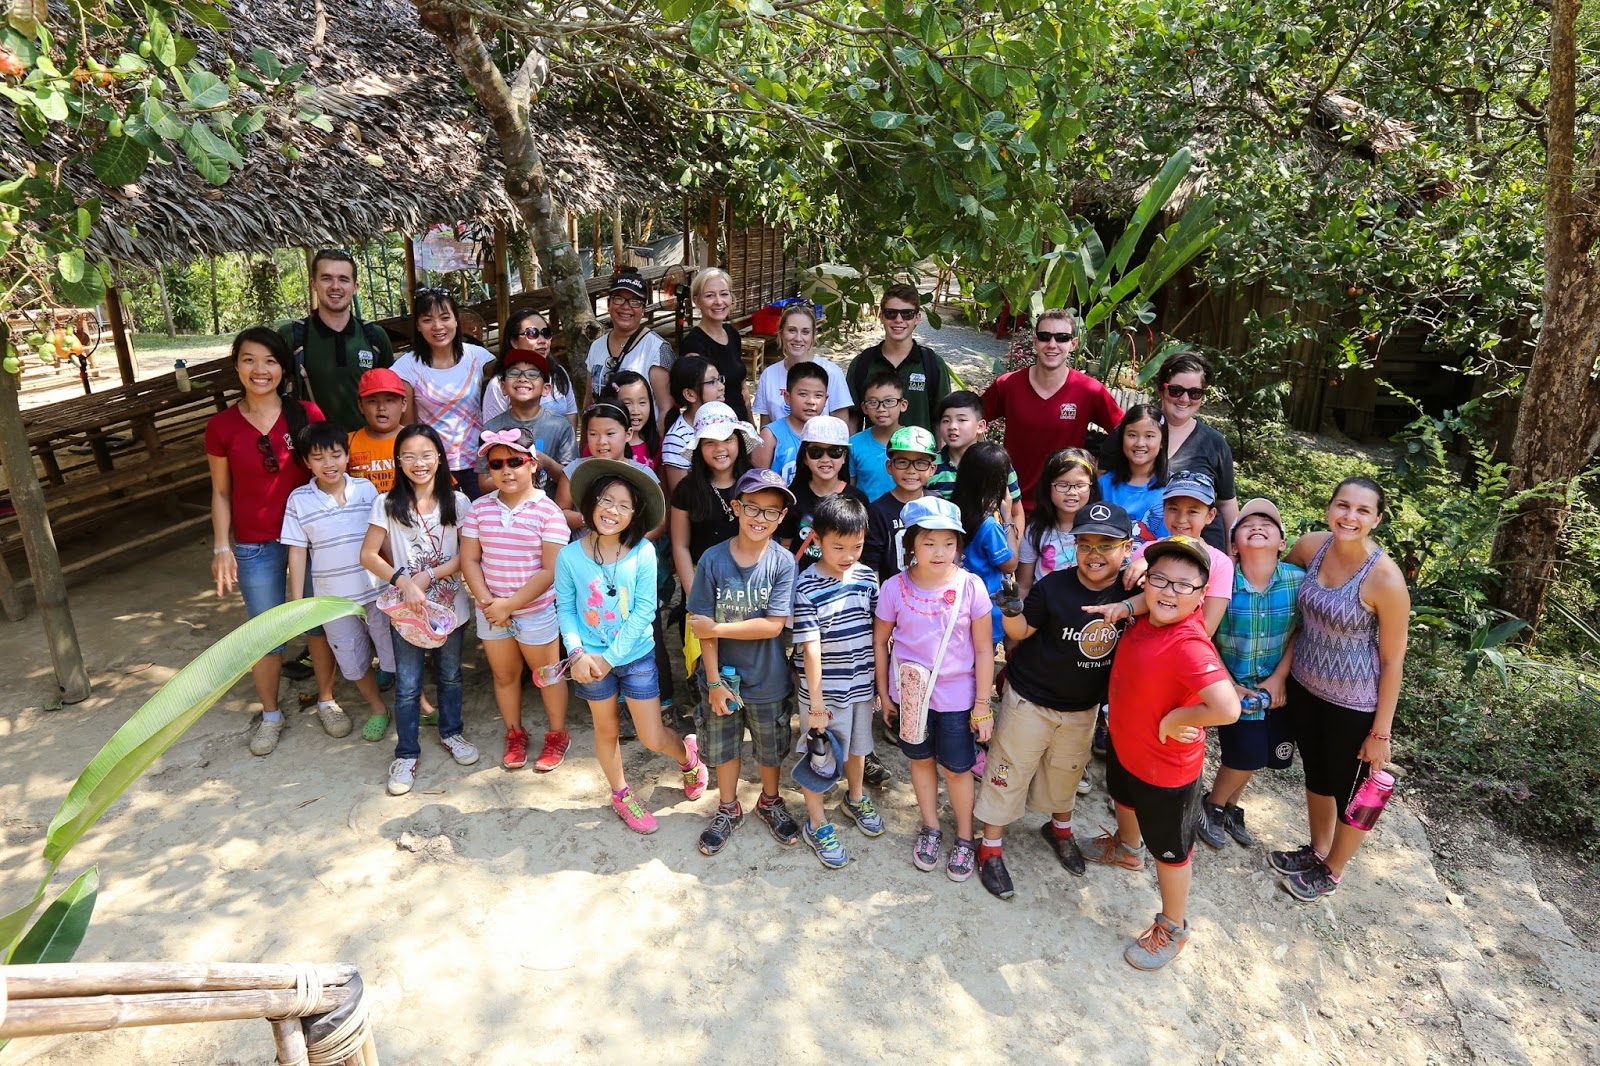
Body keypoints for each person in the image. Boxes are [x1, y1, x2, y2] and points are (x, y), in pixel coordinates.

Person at [1086, 535, 1241, 970]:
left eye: (1183, 585)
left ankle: (1173, 927)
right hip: (1128, 747)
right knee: (1123, 798)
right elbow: (1149, 601)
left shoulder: (1189, 644)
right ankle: (1126, 848)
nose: (1168, 591)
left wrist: (1177, 720)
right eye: (1159, 580)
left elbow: (1227, 708)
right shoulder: (1149, 616)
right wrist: (1128, 606)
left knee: (1171, 852)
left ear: (1202, 595)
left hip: (1167, 770)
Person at [975, 502, 1136, 899]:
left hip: (1083, 707)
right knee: (1008, 768)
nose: (1094, 554)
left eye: (1106, 545)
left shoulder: (1134, 592)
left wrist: (1141, 581)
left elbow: (1170, 592)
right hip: (1030, 698)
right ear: (1073, 546)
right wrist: (1010, 609)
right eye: (1085, 544)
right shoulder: (1054, 586)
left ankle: (1059, 827)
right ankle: (990, 845)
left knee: (1066, 772)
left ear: (1128, 548)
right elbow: (1023, 630)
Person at [1270, 477, 1409, 901]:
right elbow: (1278, 585)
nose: (1350, 516)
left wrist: (1380, 733)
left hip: (1354, 703)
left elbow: (1392, 661)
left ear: (1377, 520)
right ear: (1329, 508)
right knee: (1316, 774)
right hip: (1305, 686)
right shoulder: (1311, 546)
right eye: (1343, 506)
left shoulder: (1385, 580)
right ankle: (1317, 850)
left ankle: (1332, 871)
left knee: (1350, 790)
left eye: (1363, 511)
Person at [557, 459, 709, 834]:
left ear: (636, 514)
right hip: (588, 662)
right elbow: (565, 608)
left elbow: (644, 611)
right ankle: (621, 793)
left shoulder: (642, 552)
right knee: (605, 730)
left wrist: (608, 659)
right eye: (607, 501)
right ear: (591, 502)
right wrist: (575, 653)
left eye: (625, 506)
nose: (613, 511)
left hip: (635, 656)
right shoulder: (569, 556)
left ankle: (688, 757)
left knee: (652, 736)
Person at [205, 327, 327, 757]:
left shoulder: (307, 413)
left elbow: (328, 473)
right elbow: (221, 492)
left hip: (310, 543)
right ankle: (271, 713)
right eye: (250, 360)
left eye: (271, 361)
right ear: (236, 365)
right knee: (265, 636)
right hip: (255, 546)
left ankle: (327, 700)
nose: (261, 370)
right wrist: (223, 546)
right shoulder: (221, 426)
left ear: (283, 368)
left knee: (317, 625)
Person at [875, 497, 995, 881]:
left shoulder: (970, 587)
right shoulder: (894, 588)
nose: (940, 551)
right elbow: (881, 641)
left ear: (959, 544)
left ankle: (963, 837)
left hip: (958, 700)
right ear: (910, 544)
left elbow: (982, 648)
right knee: (920, 761)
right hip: (911, 697)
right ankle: (930, 827)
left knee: (958, 769)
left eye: (948, 542)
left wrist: (982, 704)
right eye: (929, 542)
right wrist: (884, 692)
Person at [687, 468, 802, 856]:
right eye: (753, 507)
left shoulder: (784, 562)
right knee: (724, 747)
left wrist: (717, 627)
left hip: (768, 678)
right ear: (736, 507)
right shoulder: (712, 559)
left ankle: (770, 800)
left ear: (783, 517)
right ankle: (727, 807)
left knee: (770, 749)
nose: (761, 518)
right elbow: (700, 627)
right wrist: (715, 682)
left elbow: (772, 627)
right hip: (720, 679)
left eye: (772, 511)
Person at [359, 424, 477, 794]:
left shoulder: (458, 503)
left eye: (426, 454)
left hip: (449, 608)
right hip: (407, 612)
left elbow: (467, 556)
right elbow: (367, 555)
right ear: (398, 461)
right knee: (408, 685)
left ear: (439, 458)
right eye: (408, 456)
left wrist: (428, 575)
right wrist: (405, 582)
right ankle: (406, 754)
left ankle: (452, 733)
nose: (418, 463)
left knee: (451, 675)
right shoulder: (386, 503)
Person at [460, 428, 572, 774]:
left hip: (535, 612)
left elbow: (550, 570)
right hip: (491, 611)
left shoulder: (549, 513)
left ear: (532, 463)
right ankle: (514, 733)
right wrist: (489, 603)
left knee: (547, 675)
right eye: (496, 464)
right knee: (504, 675)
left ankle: (557, 735)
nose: (506, 470)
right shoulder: (479, 509)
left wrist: (509, 605)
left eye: (515, 461)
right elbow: (470, 559)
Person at [1197, 498, 1305, 850]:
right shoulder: (1222, 582)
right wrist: (1228, 684)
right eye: (1246, 524)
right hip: (1233, 684)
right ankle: (1211, 805)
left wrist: (1280, 677)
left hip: (1275, 687)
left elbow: (1299, 633)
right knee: (1247, 754)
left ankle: (1229, 806)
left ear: (1282, 542)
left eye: (1267, 524)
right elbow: (1205, 635)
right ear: (1233, 544)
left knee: (1261, 755)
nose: (1257, 527)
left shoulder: (1297, 582)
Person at [790, 494, 885, 869]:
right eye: (838, 546)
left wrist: (879, 685)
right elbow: (810, 650)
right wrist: (815, 705)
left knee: (859, 748)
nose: (848, 554)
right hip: (823, 694)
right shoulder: (807, 587)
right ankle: (817, 822)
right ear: (816, 540)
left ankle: (855, 796)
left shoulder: (866, 577)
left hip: (861, 685)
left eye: (857, 546)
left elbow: (878, 633)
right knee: (818, 756)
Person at [280, 421, 390, 739]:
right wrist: (300, 601)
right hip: (334, 602)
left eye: (336, 455)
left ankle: (414, 705)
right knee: (352, 660)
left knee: (394, 652)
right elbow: (297, 553)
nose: (329, 464)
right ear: (306, 462)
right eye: (318, 457)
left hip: (377, 591)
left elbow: (382, 539)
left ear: (347, 456)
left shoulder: (366, 490)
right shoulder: (299, 500)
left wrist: (399, 577)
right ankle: (378, 709)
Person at [982, 308, 1122, 511]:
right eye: (1045, 336)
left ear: (1073, 344)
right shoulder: (1007, 385)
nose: (1052, 344)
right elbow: (971, 422)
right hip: (1013, 507)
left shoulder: (1089, 390)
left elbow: (1126, 432)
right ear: (1035, 341)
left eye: (1062, 338)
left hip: (1065, 511)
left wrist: (1101, 471)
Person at [391, 288, 496, 498]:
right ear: (418, 326)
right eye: (428, 320)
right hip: (434, 466)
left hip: (479, 464)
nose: (438, 327)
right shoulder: (406, 368)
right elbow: (410, 427)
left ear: (457, 320)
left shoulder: (479, 358)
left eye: (445, 318)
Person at [279, 249, 394, 433]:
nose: (335, 286)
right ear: (314, 284)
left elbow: (391, 397)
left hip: (368, 448)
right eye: (326, 278)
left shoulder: (375, 336)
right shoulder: (292, 336)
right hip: (316, 451)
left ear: (355, 286)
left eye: (343, 279)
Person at [1145, 351, 1236, 549]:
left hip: (1200, 553)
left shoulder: (1215, 443)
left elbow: (1227, 504)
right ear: (1162, 389)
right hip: (1138, 546)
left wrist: (1232, 554)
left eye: (1195, 392)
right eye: (1176, 390)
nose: (1185, 399)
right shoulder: (1132, 432)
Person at [669, 402, 759, 598]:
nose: (720, 448)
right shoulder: (686, 489)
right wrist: (694, 594)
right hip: (701, 580)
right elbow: (680, 545)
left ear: (739, 442)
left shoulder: (755, 484)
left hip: (750, 583)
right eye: (710, 442)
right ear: (699, 447)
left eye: (728, 439)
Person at [1128, 472, 1234, 636]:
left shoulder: (1220, 563)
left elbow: (1207, 628)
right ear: (1163, 510)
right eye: (1173, 509)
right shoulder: (1145, 552)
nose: (1181, 519)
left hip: (1183, 651)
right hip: (1139, 643)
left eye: (1192, 511)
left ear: (1210, 515)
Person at [845, 284, 953, 433]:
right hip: (873, 454)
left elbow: (943, 419)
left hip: (921, 455)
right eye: (891, 313)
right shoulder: (862, 364)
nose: (898, 320)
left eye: (907, 314)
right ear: (881, 317)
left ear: (917, 318)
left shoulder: (933, 364)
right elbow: (853, 418)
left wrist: (943, 456)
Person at [476, 347, 578, 492]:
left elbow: (572, 480)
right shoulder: (491, 428)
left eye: (532, 374)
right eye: (514, 373)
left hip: (549, 507)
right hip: (506, 509)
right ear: (503, 387)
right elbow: (485, 485)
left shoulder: (561, 426)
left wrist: (547, 464)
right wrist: (515, 469)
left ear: (546, 389)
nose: (523, 378)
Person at [950, 441, 1021, 642]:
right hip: (985, 611)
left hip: (958, 607)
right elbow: (1010, 564)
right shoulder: (989, 525)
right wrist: (1008, 520)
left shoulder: (953, 510)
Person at [585, 268, 674, 427]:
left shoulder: (657, 348)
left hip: (642, 446)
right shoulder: (596, 347)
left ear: (643, 309)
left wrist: (658, 450)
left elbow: (665, 409)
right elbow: (589, 403)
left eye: (635, 301)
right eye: (619, 299)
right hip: (600, 443)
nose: (626, 307)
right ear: (609, 304)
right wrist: (584, 448)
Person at [778, 416, 869, 567]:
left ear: (844, 456)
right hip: (802, 584)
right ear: (805, 458)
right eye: (816, 452)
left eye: (835, 451)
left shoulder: (858, 499)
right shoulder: (792, 497)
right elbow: (786, 545)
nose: (825, 459)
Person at [925, 391, 1024, 529]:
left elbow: (1016, 512)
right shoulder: (930, 466)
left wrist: (1014, 547)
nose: (952, 426)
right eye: (946, 420)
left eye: (962, 420)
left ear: (980, 426)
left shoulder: (997, 464)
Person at [1017, 449, 1101, 599]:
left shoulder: (1101, 530)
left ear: (1091, 486)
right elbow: (1024, 585)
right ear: (1048, 486)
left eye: (1080, 485)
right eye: (1062, 484)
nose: (1071, 492)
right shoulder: (1036, 530)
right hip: (1043, 610)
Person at [557, 401, 652, 532]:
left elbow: (657, 522)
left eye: (610, 434)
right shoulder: (574, 470)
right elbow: (559, 514)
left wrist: (631, 544)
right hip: (583, 548)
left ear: (628, 434)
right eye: (593, 434)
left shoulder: (643, 474)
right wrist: (593, 518)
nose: (601, 442)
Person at [751, 304, 853, 424]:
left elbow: (841, 428)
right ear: (781, 333)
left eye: (805, 332)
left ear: (813, 336)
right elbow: (765, 428)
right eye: (792, 330)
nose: (798, 338)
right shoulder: (769, 375)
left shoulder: (831, 372)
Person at [482, 308, 579, 432]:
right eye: (532, 333)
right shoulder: (499, 384)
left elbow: (571, 414)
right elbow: (493, 432)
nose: (542, 340)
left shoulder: (558, 373)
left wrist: (566, 448)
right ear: (514, 341)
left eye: (546, 333)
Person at [862, 425, 937, 585]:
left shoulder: (939, 506)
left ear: (932, 469)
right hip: (893, 601)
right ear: (889, 467)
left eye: (921, 463)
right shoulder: (877, 511)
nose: (911, 470)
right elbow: (871, 563)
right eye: (902, 462)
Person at [678, 267, 751, 422]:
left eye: (724, 294)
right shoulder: (693, 345)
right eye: (710, 296)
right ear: (697, 301)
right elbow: (696, 402)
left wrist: (751, 427)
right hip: (717, 429)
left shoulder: (732, 333)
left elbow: (743, 388)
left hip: (741, 425)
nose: (719, 301)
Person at [1098, 404, 1169, 542]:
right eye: (1132, 435)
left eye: (1149, 436)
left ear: (1162, 442)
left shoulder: (1173, 488)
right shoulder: (1103, 485)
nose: (1140, 443)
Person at [659, 355, 726, 497]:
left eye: (720, 380)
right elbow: (681, 497)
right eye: (712, 382)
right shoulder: (677, 438)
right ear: (689, 394)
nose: (721, 387)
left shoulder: (727, 421)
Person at [753, 361, 829, 482]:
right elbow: (757, 482)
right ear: (787, 397)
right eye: (803, 394)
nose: (811, 401)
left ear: (826, 399)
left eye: (818, 395)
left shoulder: (830, 434)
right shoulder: (771, 436)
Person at [848, 370, 905, 502]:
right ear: (864, 407)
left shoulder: (915, 440)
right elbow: (851, 487)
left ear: (903, 405)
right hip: (867, 517)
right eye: (873, 402)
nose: (881, 409)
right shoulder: (854, 444)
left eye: (889, 401)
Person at [347, 368, 406, 493]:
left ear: (404, 404)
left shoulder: (418, 440)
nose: (381, 408)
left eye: (389, 400)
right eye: (372, 401)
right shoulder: (347, 443)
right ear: (361, 406)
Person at [599, 369, 662, 471]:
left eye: (642, 402)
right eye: (627, 403)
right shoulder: (600, 445)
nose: (636, 411)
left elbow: (660, 485)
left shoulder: (657, 445)